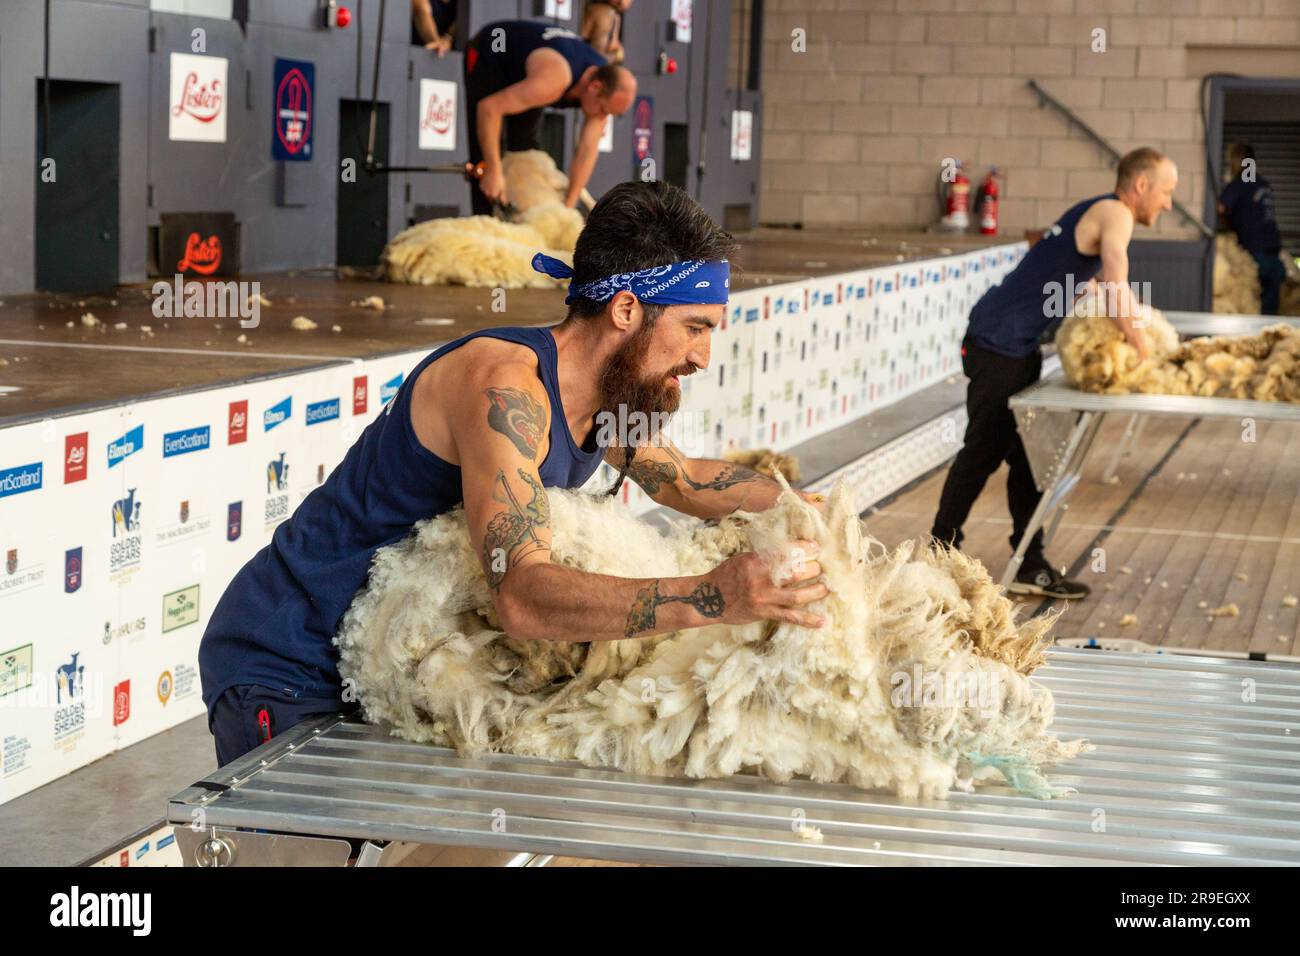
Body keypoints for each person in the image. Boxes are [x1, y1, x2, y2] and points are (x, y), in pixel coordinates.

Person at [200, 181, 828, 766]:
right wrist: (711, 597)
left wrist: (807, 509)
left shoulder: (604, 400)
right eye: (695, 328)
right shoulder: (507, 389)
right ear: (628, 310)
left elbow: (685, 480)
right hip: (289, 658)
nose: (702, 356)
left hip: (394, 663)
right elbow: (523, 598)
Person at [930, 146, 1178, 600]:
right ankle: (938, 551)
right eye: (1166, 192)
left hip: (1014, 342)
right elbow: (1117, 279)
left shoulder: (1096, 212)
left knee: (1028, 455)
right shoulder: (1116, 212)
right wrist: (1145, 350)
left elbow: (1099, 285)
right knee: (983, 450)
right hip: (997, 342)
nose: (1167, 203)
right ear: (1141, 185)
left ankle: (1029, 562)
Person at [463, 19, 636, 214]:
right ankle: (485, 222)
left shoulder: (603, 84)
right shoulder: (555, 79)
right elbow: (489, 109)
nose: (603, 118)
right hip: (493, 51)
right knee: (485, 163)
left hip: (528, 72)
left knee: (524, 151)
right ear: (595, 87)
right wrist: (493, 171)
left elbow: (587, 151)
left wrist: (568, 206)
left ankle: (518, 220)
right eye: (604, 111)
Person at [1219, 141, 1285, 316]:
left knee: (1249, 307)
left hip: (1255, 254)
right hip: (1273, 253)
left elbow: (1221, 208)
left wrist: (1227, 224)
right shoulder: (1263, 184)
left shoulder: (1240, 184)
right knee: (1269, 312)